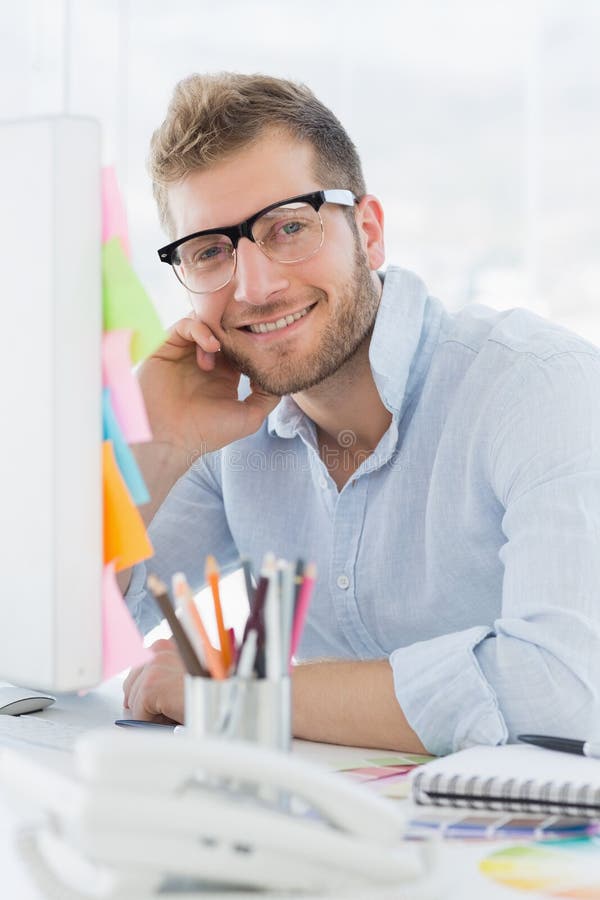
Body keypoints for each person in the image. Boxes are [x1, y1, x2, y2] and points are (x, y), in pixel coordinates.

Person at [122, 72, 600, 755]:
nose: (255, 287)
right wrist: (156, 446)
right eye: (210, 252)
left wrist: (235, 696)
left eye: (289, 227)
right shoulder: (223, 432)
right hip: (339, 845)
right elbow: (53, 637)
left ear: (368, 233)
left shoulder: (541, 388)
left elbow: (565, 691)